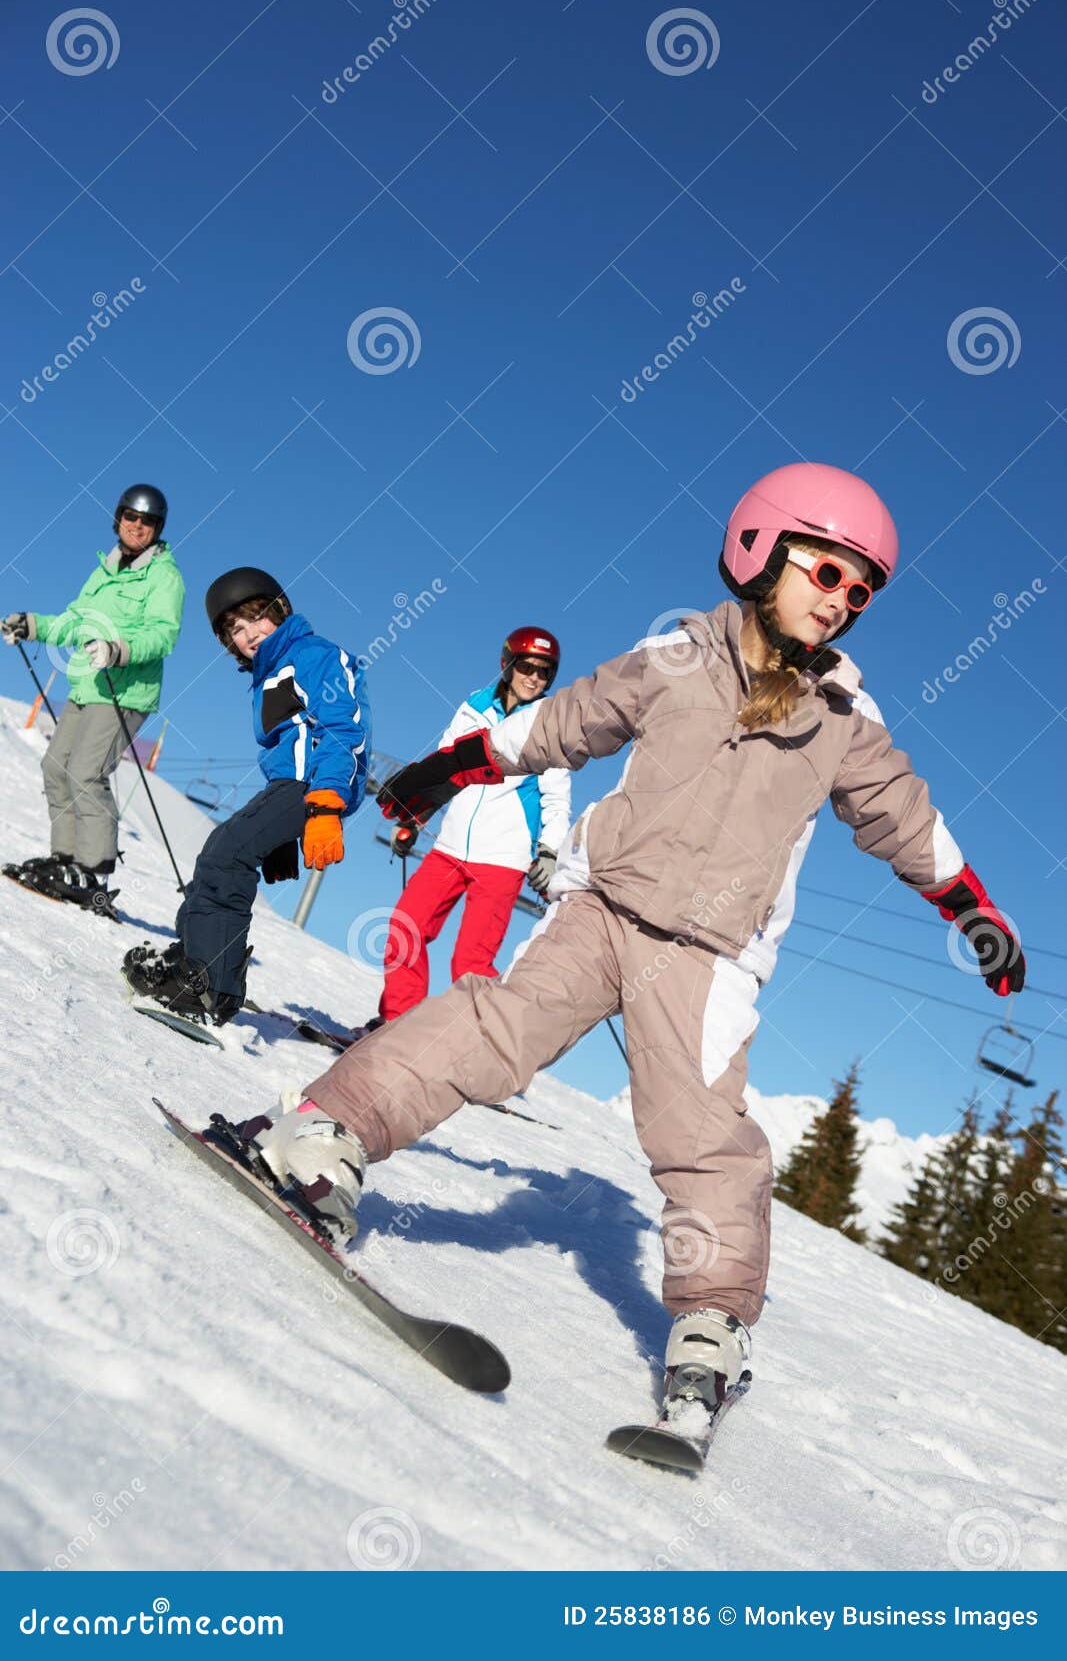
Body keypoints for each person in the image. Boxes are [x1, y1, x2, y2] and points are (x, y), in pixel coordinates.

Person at [215, 464, 1026, 1426]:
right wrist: (445, 772)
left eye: (860, 590)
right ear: (761, 553)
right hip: (602, 909)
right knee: (492, 1029)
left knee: (701, 1139)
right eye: (825, 572)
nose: (841, 601)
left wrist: (972, 911)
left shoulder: (847, 721)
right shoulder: (678, 655)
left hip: (714, 953)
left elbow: (908, 822)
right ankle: (324, 1138)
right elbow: (565, 725)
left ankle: (712, 1328)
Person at [123, 566, 370, 1026]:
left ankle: (209, 987)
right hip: (290, 787)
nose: (248, 634)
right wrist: (275, 836)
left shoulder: (314, 655)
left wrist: (324, 806)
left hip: (313, 786)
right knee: (221, 852)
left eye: (255, 618)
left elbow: (342, 729)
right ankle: (199, 961)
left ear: (280, 611)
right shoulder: (268, 674)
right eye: (234, 630)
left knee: (224, 857)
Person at [360, 627, 570, 1037]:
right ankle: (397, 1029)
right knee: (405, 929)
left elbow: (557, 799)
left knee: (471, 963)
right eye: (527, 666)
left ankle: (473, 1053)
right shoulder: (475, 705)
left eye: (545, 673)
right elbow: (444, 766)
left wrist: (549, 850)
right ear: (507, 664)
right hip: (451, 846)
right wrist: (413, 818)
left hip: (503, 858)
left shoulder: (549, 724)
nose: (534, 678)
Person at [2, 484, 184, 916]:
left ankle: (94, 872)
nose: (137, 525)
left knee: (86, 771)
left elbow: (164, 633)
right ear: (118, 518)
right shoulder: (104, 572)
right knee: (56, 766)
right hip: (87, 686)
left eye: (147, 521)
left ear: (157, 528)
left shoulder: (164, 576)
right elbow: (72, 621)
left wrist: (119, 648)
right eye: (130, 517)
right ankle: (66, 860)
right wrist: (32, 625)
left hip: (125, 692)